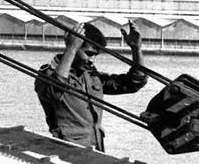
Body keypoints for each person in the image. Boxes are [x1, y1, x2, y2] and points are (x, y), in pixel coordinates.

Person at [35, 22, 147, 151]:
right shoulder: (47, 74)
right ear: (75, 46)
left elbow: (134, 83)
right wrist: (71, 48)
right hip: (65, 149)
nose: (92, 59)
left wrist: (136, 49)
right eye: (88, 53)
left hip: (95, 148)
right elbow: (53, 92)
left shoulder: (91, 76)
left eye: (95, 55)